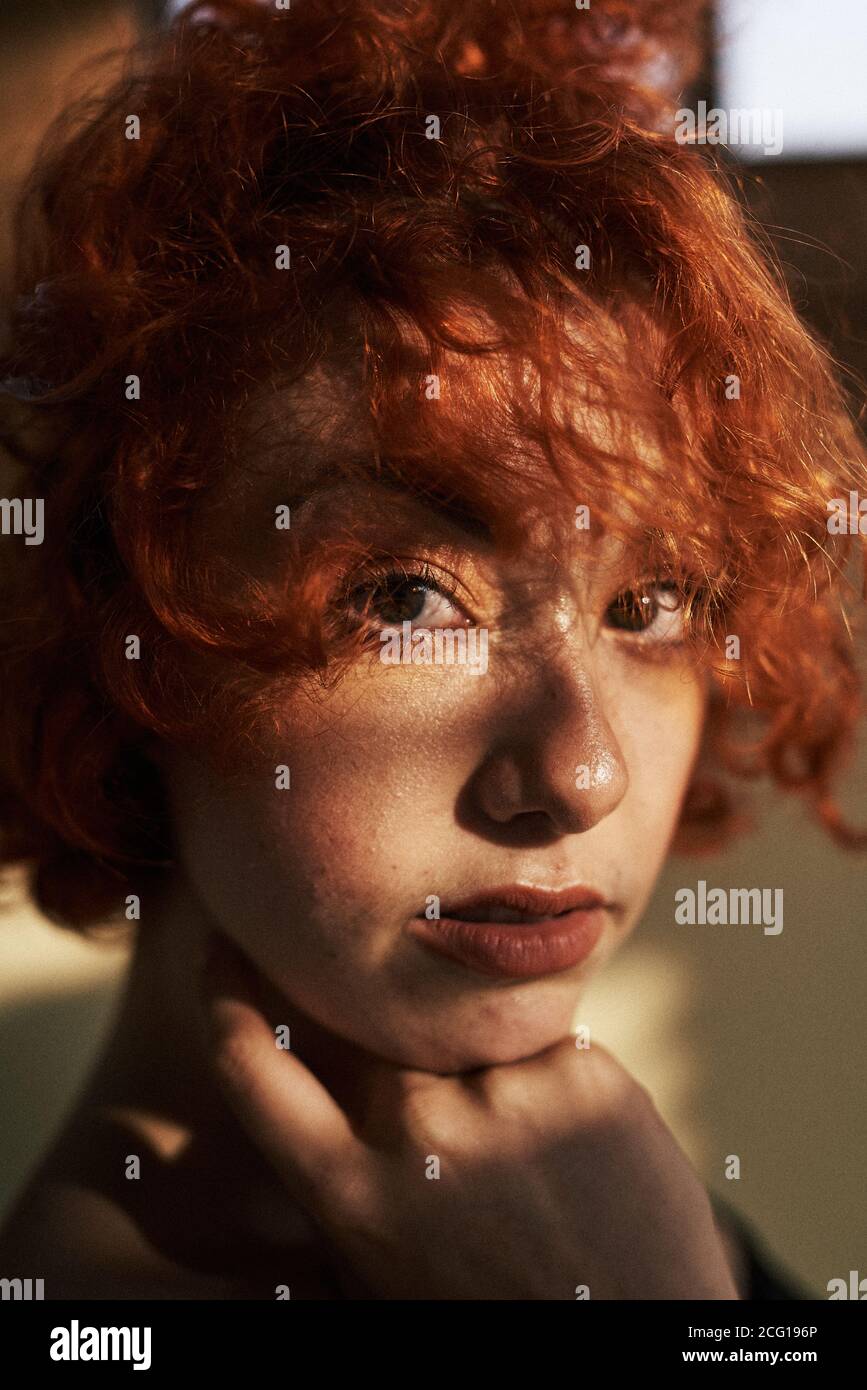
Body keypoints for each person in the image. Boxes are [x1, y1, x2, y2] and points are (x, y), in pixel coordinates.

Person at [0, 0, 863, 1299]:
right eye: (408, 598)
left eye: (652, 601)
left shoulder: (592, 1220)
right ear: (124, 636)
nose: (586, 774)